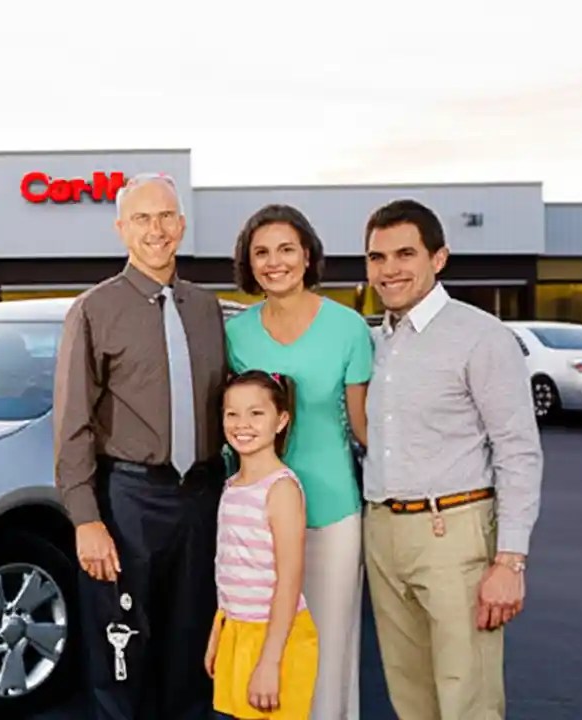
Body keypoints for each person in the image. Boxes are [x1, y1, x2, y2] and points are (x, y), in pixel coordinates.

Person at [53, 172, 230, 719]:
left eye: (166, 217)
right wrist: (86, 520)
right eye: (142, 219)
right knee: (121, 650)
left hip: (202, 499)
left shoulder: (206, 309)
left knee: (192, 649)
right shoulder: (94, 310)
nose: (156, 230)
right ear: (121, 229)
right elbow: (73, 424)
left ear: (181, 224)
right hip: (129, 500)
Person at [362, 198, 542, 720]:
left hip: (454, 533)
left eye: (404, 254)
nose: (389, 270)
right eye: (377, 257)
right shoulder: (375, 342)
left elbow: (518, 449)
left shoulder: (481, 337)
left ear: (438, 258)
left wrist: (510, 560)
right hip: (383, 530)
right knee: (409, 695)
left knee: (468, 698)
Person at [223, 204, 372, 719]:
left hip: (330, 512)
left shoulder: (349, 328)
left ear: (307, 255)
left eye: (286, 249)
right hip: (257, 518)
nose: (274, 262)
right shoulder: (237, 334)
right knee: (268, 649)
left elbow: (362, 427)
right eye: (260, 252)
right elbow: (234, 425)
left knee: (329, 649)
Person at [206, 370, 319, 720]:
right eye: (232, 413)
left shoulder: (281, 489)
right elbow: (228, 569)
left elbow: (289, 581)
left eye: (257, 413)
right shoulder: (231, 486)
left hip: (274, 639)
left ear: (281, 420)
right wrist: (218, 634)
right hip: (235, 633)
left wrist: (270, 661)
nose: (243, 424)